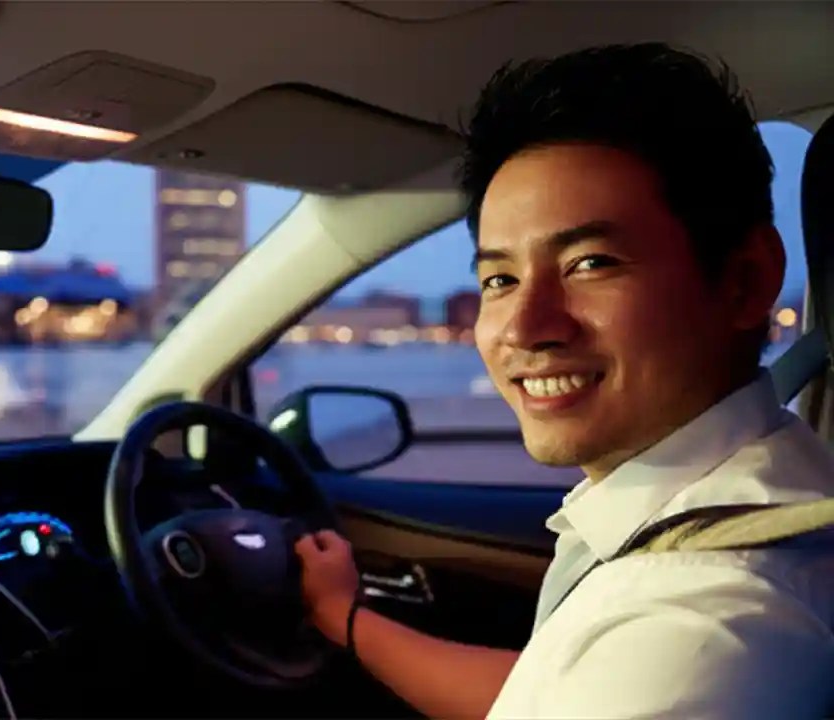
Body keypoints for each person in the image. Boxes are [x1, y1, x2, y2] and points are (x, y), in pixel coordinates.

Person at [294, 43, 834, 719]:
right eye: (500, 279)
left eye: (591, 262)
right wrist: (347, 617)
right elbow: (546, 689)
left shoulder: (701, 634)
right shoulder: (727, 499)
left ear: (744, 280)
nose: (525, 327)